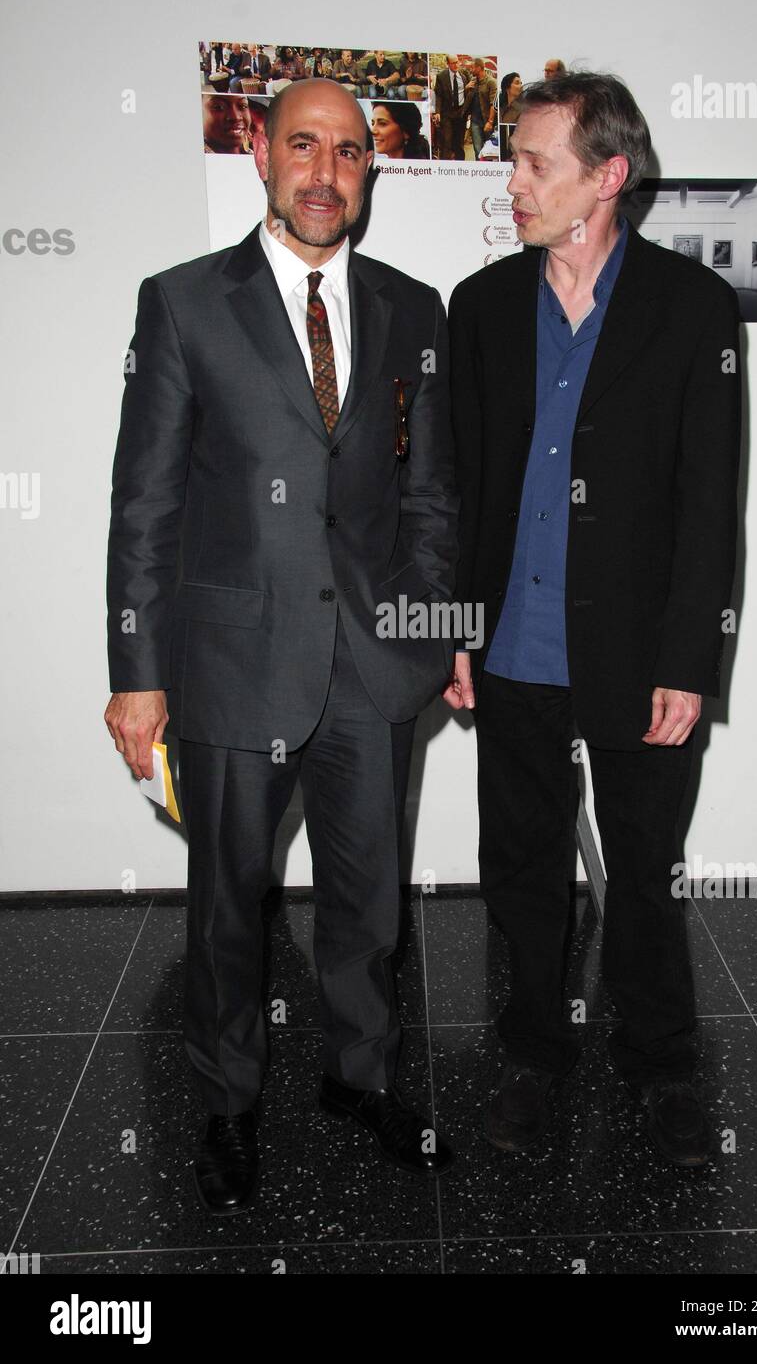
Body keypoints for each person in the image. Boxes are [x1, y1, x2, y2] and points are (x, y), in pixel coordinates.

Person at [105, 77, 459, 1213]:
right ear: (258, 153)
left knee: (369, 902)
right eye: (301, 146)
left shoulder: (415, 309)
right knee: (229, 902)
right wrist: (137, 673)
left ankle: (359, 1079)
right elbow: (145, 506)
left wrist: (437, 630)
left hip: (372, 662)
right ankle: (226, 1104)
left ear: (369, 169)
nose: (323, 172)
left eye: (347, 153)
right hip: (228, 664)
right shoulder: (182, 304)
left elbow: (433, 501)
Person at [445, 72, 741, 1168]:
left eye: (534, 162)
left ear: (604, 177)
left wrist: (688, 659)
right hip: (513, 648)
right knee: (520, 867)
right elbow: (465, 490)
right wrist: (456, 631)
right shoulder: (477, 308)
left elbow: (708, 501)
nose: (512, 181)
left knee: (646, 872)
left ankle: (660, 1065)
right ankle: (531, 1056)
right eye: (512, 159)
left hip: (636, 656)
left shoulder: (689, 308)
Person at [433, 55, 468, 159]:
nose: (456, 65)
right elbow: (438, 95)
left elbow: (466, 94)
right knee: (447, 141)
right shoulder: (441, 76)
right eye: (453, 63)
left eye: (457, 62)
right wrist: (437, 112)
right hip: (447, 112)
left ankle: (460, 166)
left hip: (460, 113)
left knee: (459, 142)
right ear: (448, 64)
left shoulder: (463, 77)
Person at [465, 57, 497, 159]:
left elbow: (493, 104)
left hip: (487, 120)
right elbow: (467, 99)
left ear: (479, 68)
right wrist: (466, 88)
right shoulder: (473, 81)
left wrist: (490, 122)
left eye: (472, 67)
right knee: (477, 150)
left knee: (489, 151)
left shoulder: (491, 82)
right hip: (475, 121)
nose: (470, 70)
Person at [498, 71, 523, 162]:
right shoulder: (501, 107)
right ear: (507, 87)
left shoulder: (522, 109)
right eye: (517, 83)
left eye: (521, 83)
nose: (520, 86)